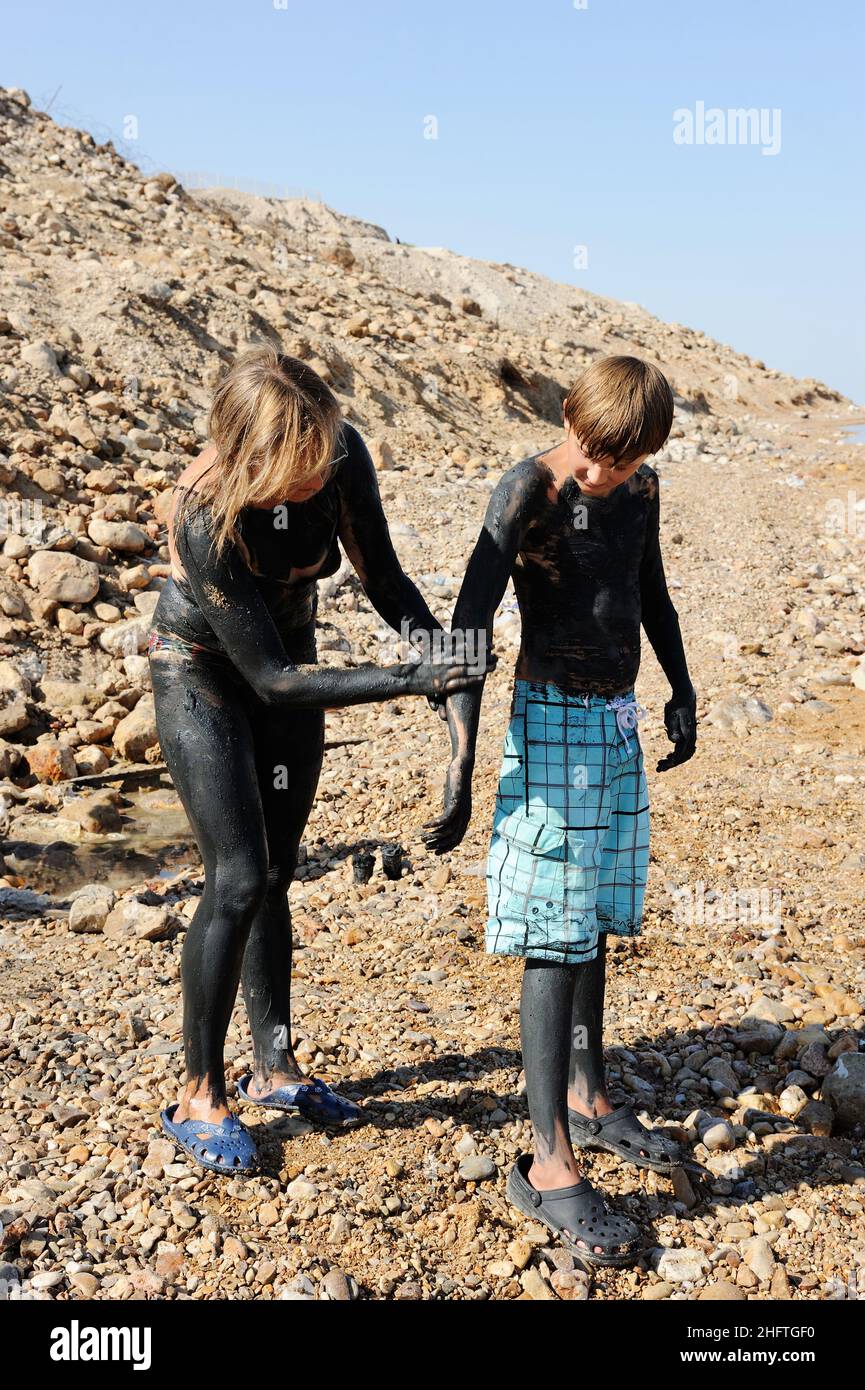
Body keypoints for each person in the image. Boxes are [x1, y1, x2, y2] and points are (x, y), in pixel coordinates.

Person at [149, 346, 488, 1175]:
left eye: (319, 460)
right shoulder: (202, 513)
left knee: (277, 873)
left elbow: (386, 579)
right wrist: (410, 680)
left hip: (292, 660)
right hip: (204, 674)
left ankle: (275, 1068)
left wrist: (445, 687)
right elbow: (268, 679)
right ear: (243, 457)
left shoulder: (338, 453)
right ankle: (198, 1095)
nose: (313, 480)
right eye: (292, 470)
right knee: (233, 876)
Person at [424, 356, 697, 1265]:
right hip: (550, 726)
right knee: (553, 935)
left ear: (646, 453)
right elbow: (467, 623)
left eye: (612, 466)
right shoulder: (524, 492)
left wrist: (681, 689)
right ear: (567, 424)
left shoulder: (641, 487)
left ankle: (588, 1095)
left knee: (594, 927)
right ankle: (546, 1164)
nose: (594, 477)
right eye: (586, 454)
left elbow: (645, 591)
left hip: (615, 719)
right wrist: (460, 760)